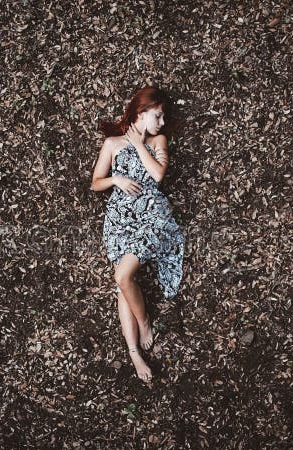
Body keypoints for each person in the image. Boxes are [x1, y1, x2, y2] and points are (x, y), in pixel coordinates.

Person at [90, 86, 185, 382]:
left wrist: (139, 144)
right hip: (120, 220)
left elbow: (157, 176)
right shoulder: (112, 143)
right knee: (123, 285)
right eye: (157, 115)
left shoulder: (158, 140)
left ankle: (144, 322)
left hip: (151, 218)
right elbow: (95, 183)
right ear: (141, 113)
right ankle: (134, 353)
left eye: (163, 116)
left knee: (121, 277)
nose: (162, 121)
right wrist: (115, 179)